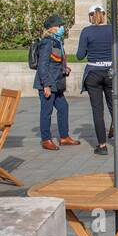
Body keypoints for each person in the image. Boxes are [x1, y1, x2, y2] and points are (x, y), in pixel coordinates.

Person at [76, 3, 118, 155]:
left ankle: (102, 145)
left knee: (97, 110)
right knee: (114, 106)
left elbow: (79, 55)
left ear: (91, 16)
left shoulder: (86, 31)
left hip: (93, 72)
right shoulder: (112, 30)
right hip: (110, 71)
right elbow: (117, 55)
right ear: (104, 15)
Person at [32, 14, 80, 150]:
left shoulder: (57, 42)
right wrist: (45, 85)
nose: (62, 28)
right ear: (52, 28)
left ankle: (64, 137)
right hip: (48, 83)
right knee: (46, 112)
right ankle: (46, 139)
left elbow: (55, 62)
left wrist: (65, 68)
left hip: (57, 82)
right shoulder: (47, 42)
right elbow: (43, 66)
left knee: (63, 107)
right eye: (59, 26)